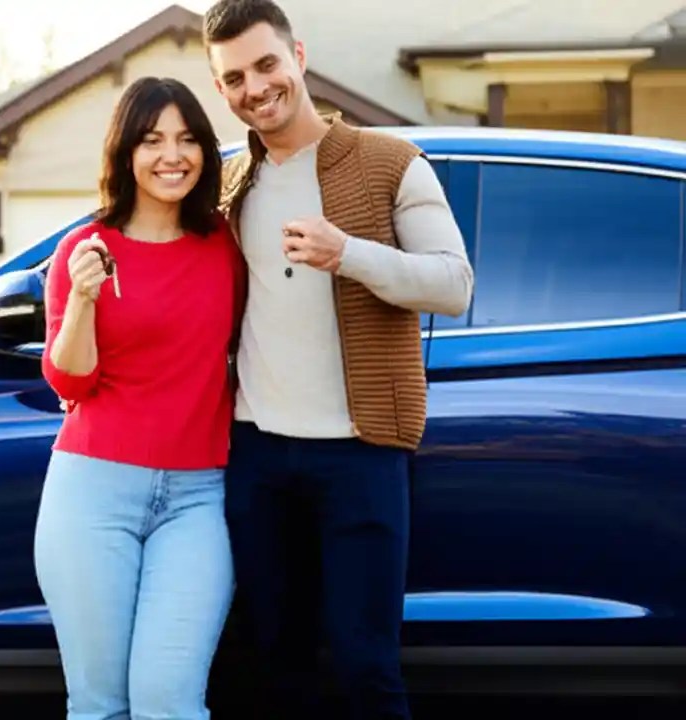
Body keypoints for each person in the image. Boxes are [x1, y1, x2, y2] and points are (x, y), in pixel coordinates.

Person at [200, 1, 475, 718]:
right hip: (255, 457)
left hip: (360, 454)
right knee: (273, 668)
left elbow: (453, 283)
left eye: (265, 64)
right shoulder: (232, 185)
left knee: (366, 670)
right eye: (233, 78)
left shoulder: (390, 163)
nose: (255, 88)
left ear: (298, 53)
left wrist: (346, 253)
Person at [33, 76, 245, 720]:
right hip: (92, 493)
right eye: (152, 140)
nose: (170, 155)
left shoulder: (225, 249)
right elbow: (69, 382)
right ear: (126, 152)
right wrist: (85, 299)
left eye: (186, 139)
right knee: (99, 705)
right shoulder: (85, 249)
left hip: (198, 497)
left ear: (206, 151)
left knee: (169, 699)